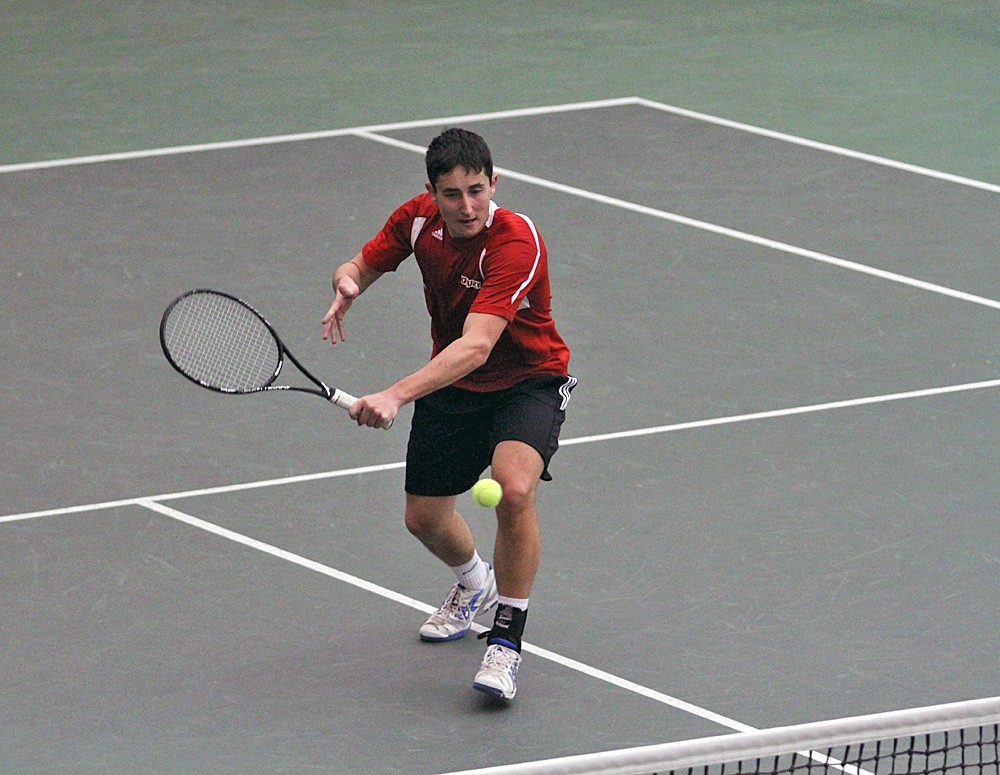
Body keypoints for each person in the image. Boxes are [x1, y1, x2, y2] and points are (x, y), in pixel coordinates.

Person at [321, 128, 574, 700]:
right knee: (424, 520)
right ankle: (472, 583)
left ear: (494, 184)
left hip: (526, 381)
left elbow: (476, 347)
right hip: (455, 387)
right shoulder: (418, 220)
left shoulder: (515, 243)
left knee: (513, 490)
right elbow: (362, 263)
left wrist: (394, 394)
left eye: (477, 191)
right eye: (453, 194)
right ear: (431, 193)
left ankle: (505, 643)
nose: (467, 206)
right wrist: (348, 282)